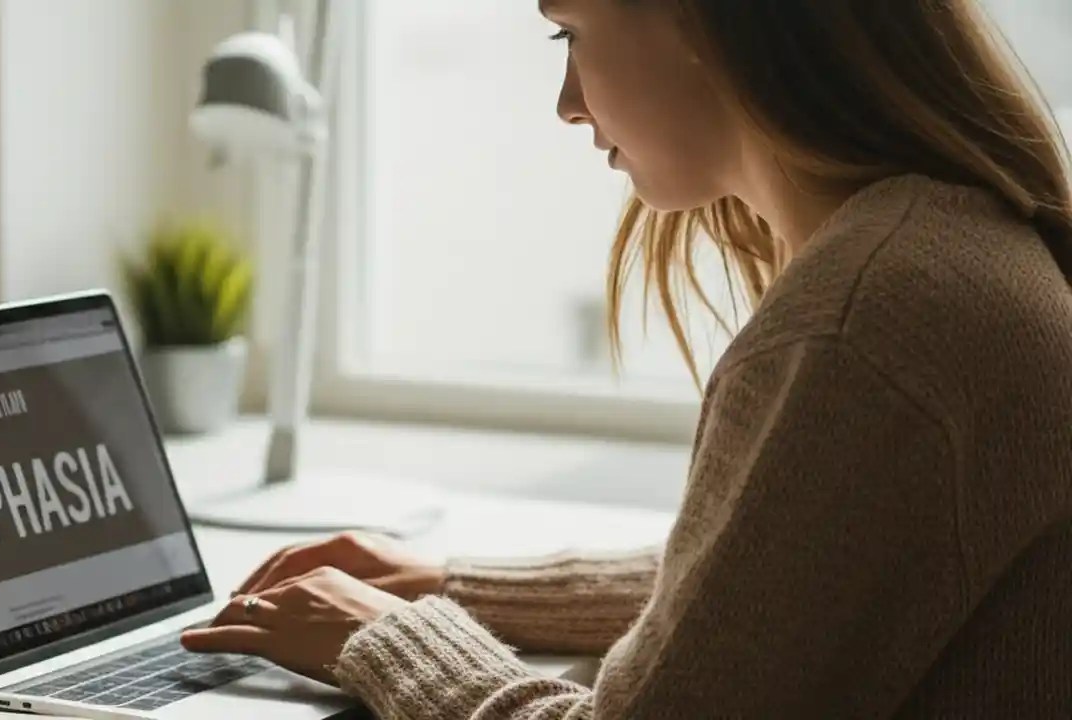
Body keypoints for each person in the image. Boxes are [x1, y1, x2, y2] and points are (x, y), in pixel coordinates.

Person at [179, 0, 1072, 717]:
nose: (566, 100)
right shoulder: (949, 250)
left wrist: (385, 640)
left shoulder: (867, 323)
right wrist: (457, 586)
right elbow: (777, 582)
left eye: (569, 33)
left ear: (704, 21)